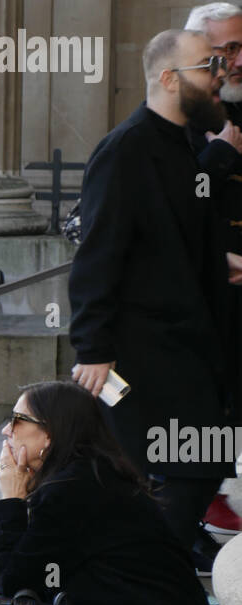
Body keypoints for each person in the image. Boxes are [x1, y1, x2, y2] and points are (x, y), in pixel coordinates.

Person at [69, 29, 241, 567]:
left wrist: (223, 263)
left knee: (206, 462)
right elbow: (98, 252)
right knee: (179, 472)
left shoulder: (184, 145)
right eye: (206, 64)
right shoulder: (125, 150)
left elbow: (175, 235)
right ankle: (140, 580)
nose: (218, 74)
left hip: (189, 349)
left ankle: (151, 578)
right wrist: (92, 347)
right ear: (169, 78)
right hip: (142, 360)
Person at [0, 381, 222, 605]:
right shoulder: (93, 475)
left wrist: (11, 500)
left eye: (17, 420)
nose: (6, 431)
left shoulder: (67, 494)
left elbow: (12, 578)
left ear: (51, 434)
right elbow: (30, 566)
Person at [186, 2, 242, 537]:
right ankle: (202, 500)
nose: (234, 60)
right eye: (223, 50)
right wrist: (221, 155)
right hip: (202, 301)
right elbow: (172, 202)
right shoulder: (180, 119)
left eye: (240, 47)